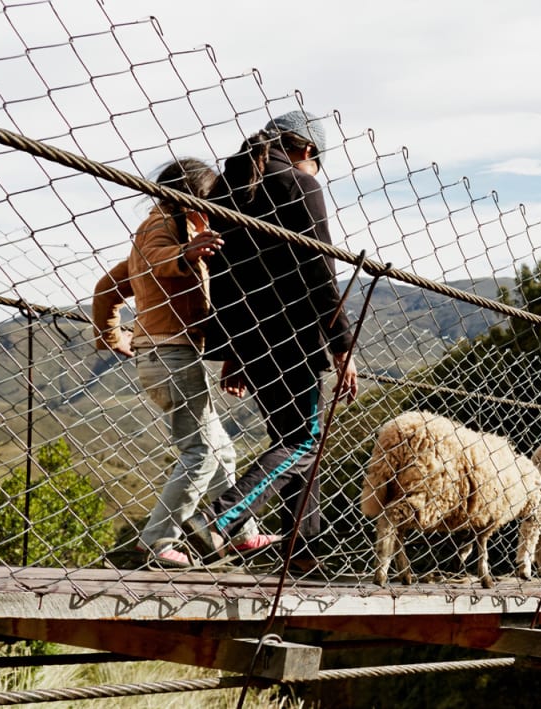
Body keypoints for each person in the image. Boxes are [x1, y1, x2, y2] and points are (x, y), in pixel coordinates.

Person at [185, 110, 358, 574]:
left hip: (250, 338)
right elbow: (320, 270)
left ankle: (300, 553)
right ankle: (220, 515)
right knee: (304, 442)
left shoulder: (230, 187)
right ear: (307, 151)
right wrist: (342, 344)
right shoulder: (300, 186)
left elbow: (221, 275)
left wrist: (233, 350)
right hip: (294, 335)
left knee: (291, 439)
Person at [93, 158, 279, 568]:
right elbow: (160, 256)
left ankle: (239, 533)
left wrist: (113, 335)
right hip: (170, 354)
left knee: (222, 449)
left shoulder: (158, 237)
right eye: (211, 200)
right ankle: (156, 541)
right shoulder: (162, 225)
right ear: (191, 196)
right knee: (200, 451)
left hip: (168, 354)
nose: (215, 209)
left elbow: (107, 289)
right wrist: (185, 252)